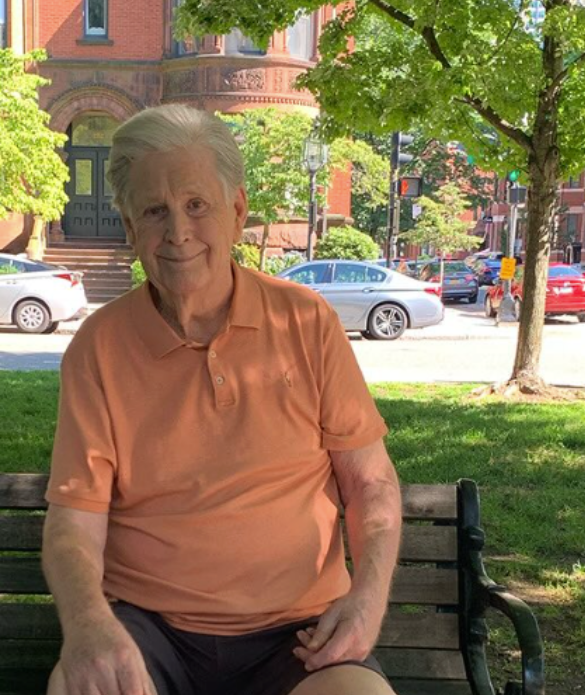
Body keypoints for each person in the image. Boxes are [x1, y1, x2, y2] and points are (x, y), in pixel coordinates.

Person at [43, 104, 402, 695]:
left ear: (236, 212)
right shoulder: (99, 347)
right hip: (149, 630)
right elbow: (73, 523)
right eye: (154, 211)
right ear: (129, 227)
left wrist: (367, 599)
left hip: (299, 633)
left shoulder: (306, 322)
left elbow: (371, 485)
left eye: (196, 205)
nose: (177, 232)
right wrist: (87, 626)